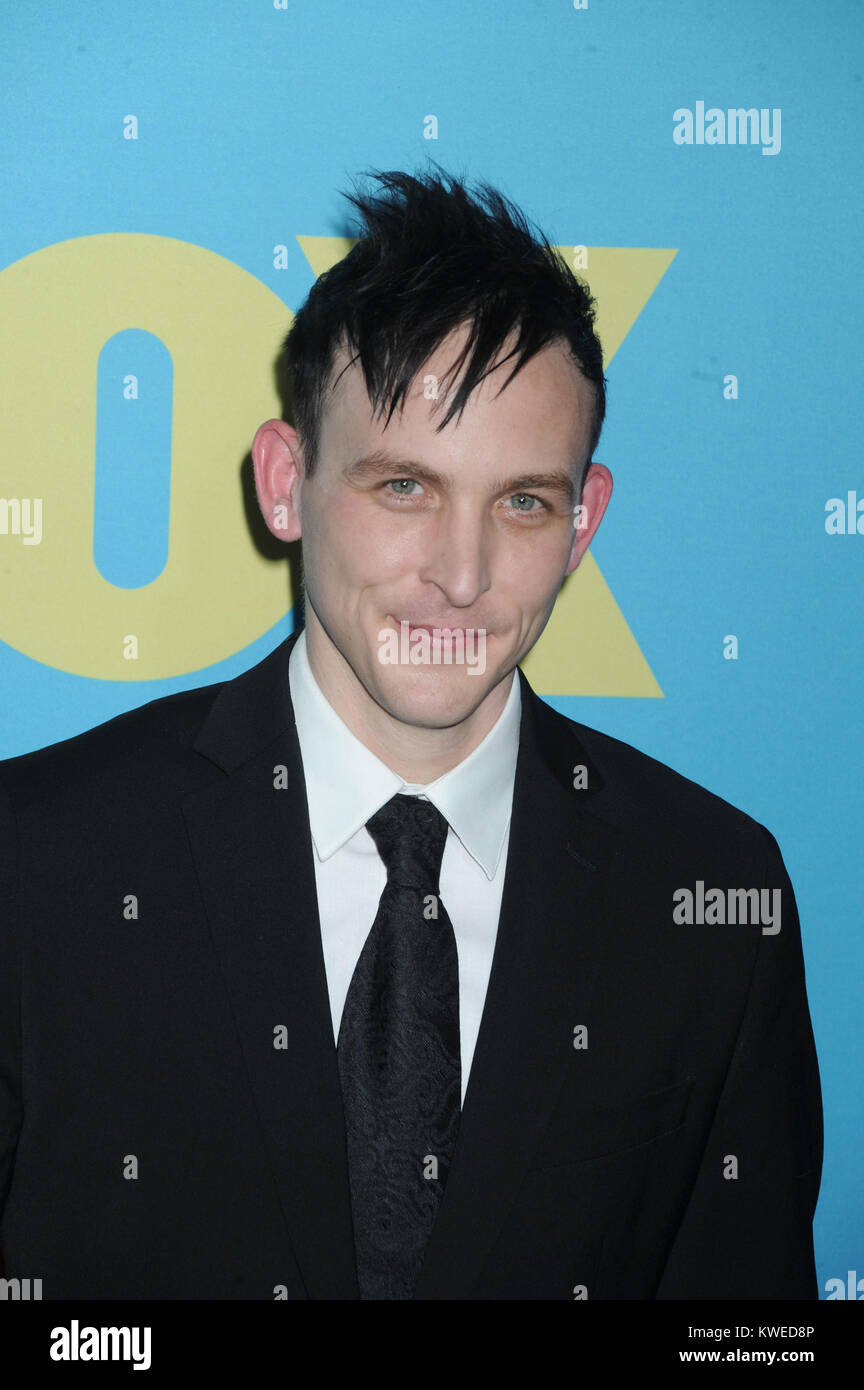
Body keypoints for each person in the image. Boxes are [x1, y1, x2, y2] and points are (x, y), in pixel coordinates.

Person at [0, 166, 821, 1300]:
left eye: (523, 501)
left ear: (584, 523)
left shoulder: (713, 893)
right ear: (286, 484)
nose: (462, 575)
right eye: (403, 488)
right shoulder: (36, 862)